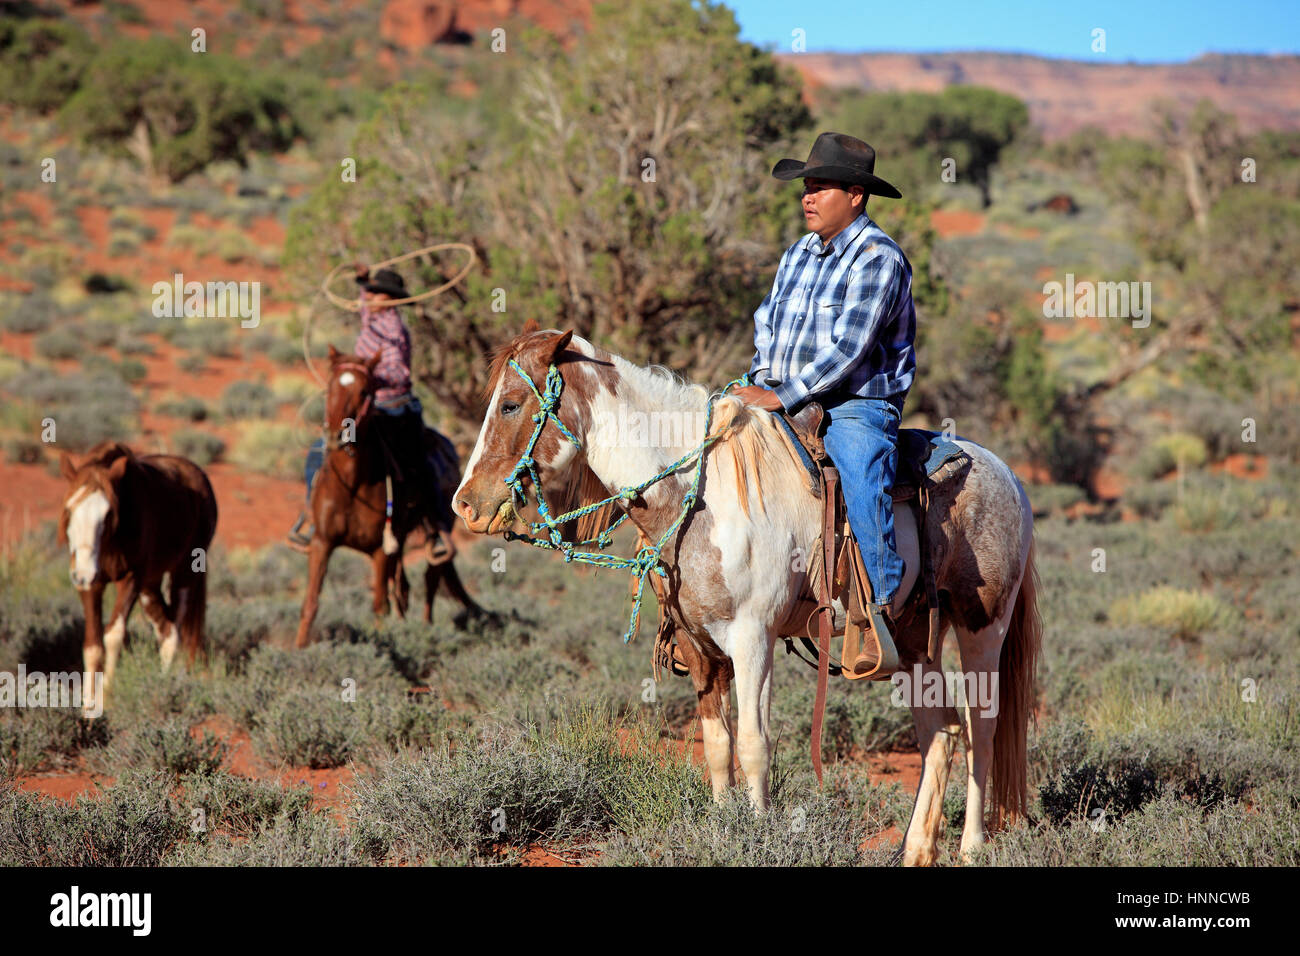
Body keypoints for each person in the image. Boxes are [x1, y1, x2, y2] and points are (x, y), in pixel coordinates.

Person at [732, 132, 916, 646]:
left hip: (854, 404)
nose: (807, 197)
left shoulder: (878, 257)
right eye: (805, 187)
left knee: (859, 471)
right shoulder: (798, 254)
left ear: (855, 195)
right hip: (781, 391)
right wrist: (762, 380)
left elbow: (849, 348)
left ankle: (881, 614)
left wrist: (782, 396)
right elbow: (767, 320)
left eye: (820, 187)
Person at [287, 264, 451, 554]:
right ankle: (314, 517)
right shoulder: (373, 317)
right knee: (320, 451)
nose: (371, 297)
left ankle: (434, 526)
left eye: (377, 293)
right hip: (367, 407)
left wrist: (366, 375)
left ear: (391, 299)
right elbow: (363, 305)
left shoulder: (394, 329)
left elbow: (399, 373)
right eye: (371, 292)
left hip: (396, 407)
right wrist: (362, 280)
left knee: (417, 463)